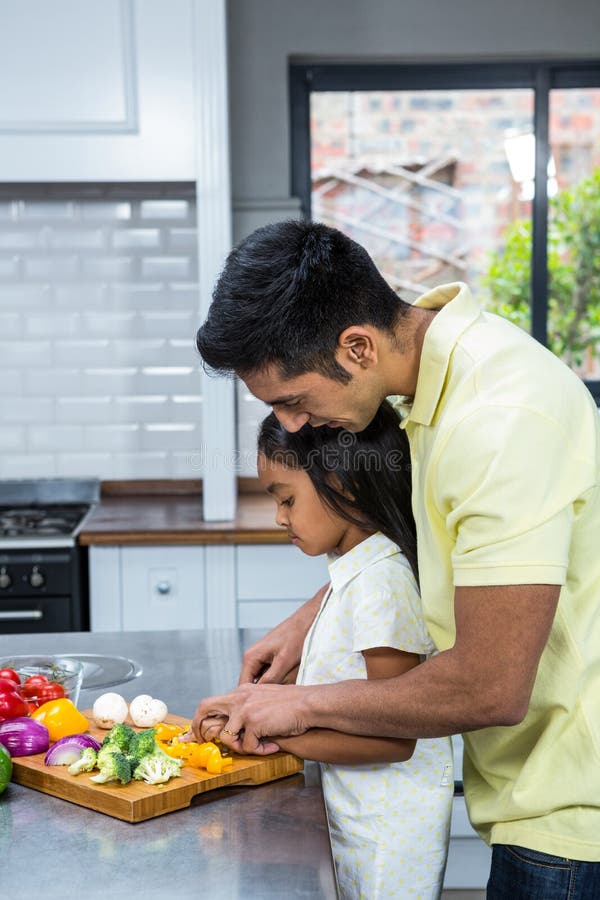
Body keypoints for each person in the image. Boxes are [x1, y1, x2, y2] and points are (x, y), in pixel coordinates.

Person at [194, 220, 600, 897]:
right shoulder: (427, 381)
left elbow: (491, 685)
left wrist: (300, 710)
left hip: (566, 807)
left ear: (356, 346)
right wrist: (310, 618)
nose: (290, 426)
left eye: (292, 400)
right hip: (532, 786)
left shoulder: (499, 417)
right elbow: (427, 543)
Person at [251, 404, 453, 898]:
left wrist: (280, 737)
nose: (279, 518)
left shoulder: (382, 584)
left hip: (388, 841)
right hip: (360, 821)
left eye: (287, 499)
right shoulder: (356, 574)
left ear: (341, 484)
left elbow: (393, 737)